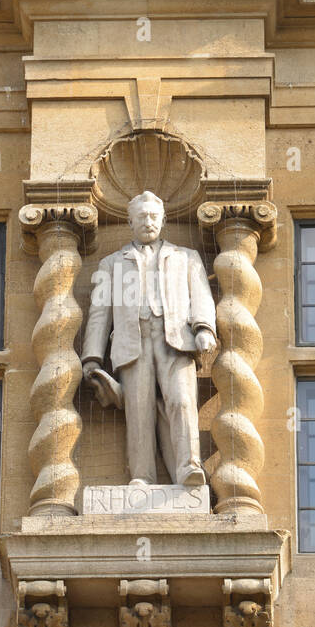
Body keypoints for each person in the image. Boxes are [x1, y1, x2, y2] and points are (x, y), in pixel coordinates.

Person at [82, 191, 217, 487]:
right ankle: (142, 475)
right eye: (141, 217)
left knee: (182, 402)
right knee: (138, 410)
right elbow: (99, 313)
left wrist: (204, 328)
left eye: (154, 216)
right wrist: (92, 357)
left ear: (164, 220)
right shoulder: (111, 264)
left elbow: (201, 297)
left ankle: (188, 467)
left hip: (176, 340)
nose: (148, 222)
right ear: (130, 222)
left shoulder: (186, 258)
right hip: (133, 342)